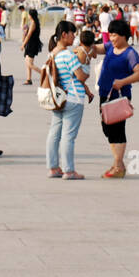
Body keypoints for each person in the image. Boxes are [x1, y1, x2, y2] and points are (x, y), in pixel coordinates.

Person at [96, 19, 139, 178]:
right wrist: (84, 47)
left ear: (123, 35)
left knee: (117, 131)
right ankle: (119, 163)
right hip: (104, 94)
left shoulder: (130, 53)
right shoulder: (110, 47)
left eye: (114, 35)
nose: (111, 38)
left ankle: (118, 166)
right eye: (110, 34)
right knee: (107, 128)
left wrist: (122, 82)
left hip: (118, 97)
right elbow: (96, 48)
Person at [45, 20, 89, 180]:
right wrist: (86, 67)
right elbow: (81, 76)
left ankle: (53, 167)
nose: (74, 37)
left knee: (54, 133)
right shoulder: (68, 55)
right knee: (68, 136)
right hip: (73, 98)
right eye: (72, 34)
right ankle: (69, 170)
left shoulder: (52, 53)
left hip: (58, 98)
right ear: (64, 35)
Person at [22, 8, 43, 86]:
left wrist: (23, 44)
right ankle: (29, 79)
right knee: (27, 62)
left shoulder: (34, 23)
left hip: (32, 44)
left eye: (29, 14)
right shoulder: (33, 22)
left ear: (31, 15)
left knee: (30, 63)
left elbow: (28, 36)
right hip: (31, 43)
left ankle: (44, 73)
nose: (28, 15)